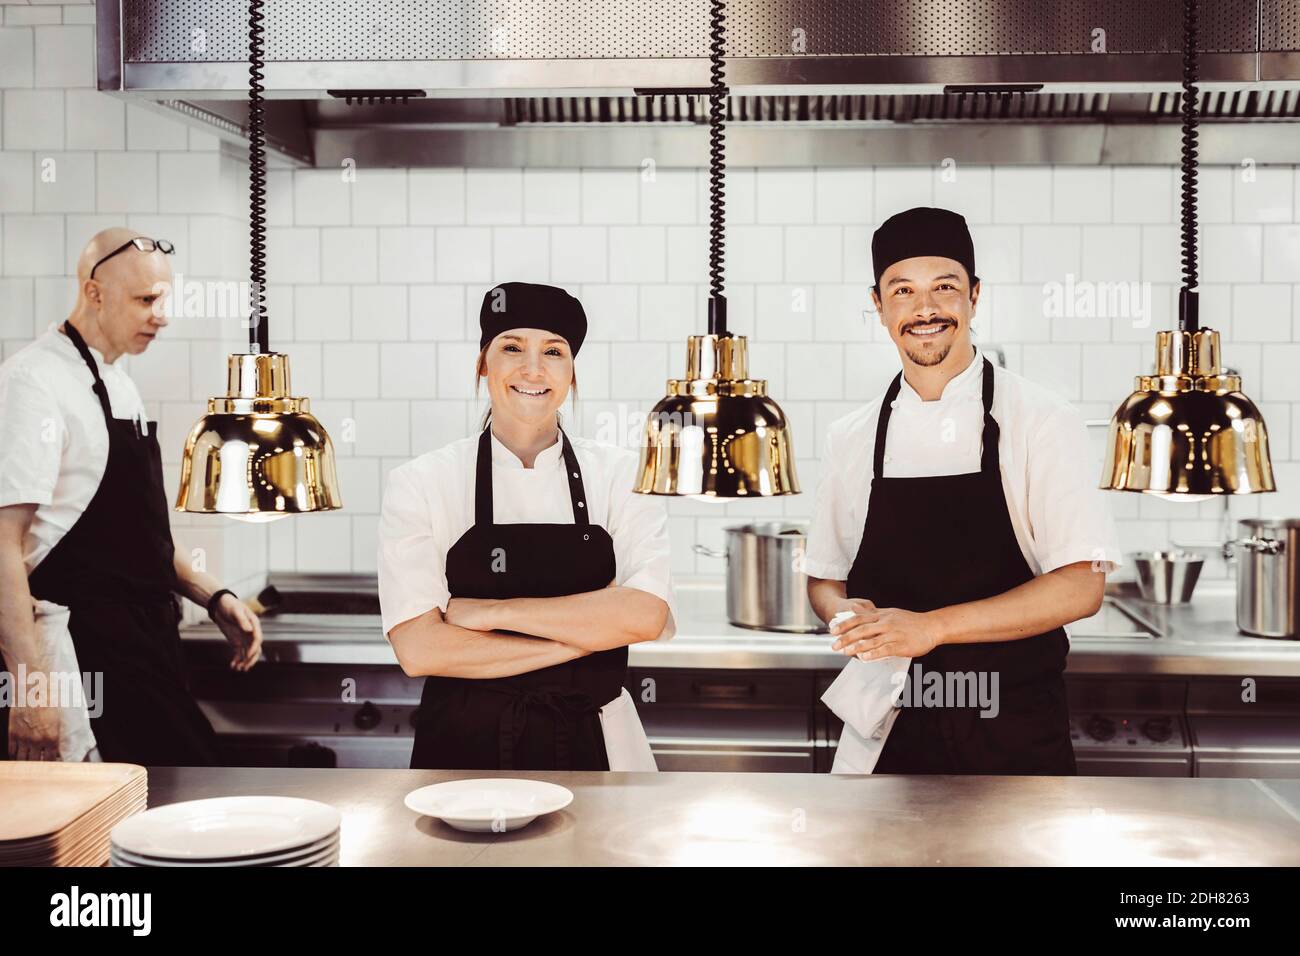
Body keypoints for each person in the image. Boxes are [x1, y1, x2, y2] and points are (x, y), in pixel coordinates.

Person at [805, 207, 1122, 775]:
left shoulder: (1042, 418)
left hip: (1014, 737)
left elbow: (1081, 587)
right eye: (902, 291)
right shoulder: (850, 437)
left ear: (974, 296)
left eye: (944, 288)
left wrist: (932, 628)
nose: (924, 309)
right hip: (887, 730)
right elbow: (824, 580)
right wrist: (844, 614)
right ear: (878, 306)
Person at [378, 282, 675, 771]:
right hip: (461, 745)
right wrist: (590, 637)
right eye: (512, 347)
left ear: (572, 370)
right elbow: (419, 648)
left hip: (598, 738)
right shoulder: (422, 481)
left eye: (553, 351)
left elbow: (644, 616)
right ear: (483, 363)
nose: (533, 369)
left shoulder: (623, 475)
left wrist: (487, 613)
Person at [0, 228, 263, 764]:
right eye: (146, 300)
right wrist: (29, 692)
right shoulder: (33, 382)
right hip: (83, 660)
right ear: (93, 293)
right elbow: (3, 543)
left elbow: (137, 539)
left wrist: (214, 597)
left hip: (145, 648)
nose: (161, 315)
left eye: (163, 299)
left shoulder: (119, 383)